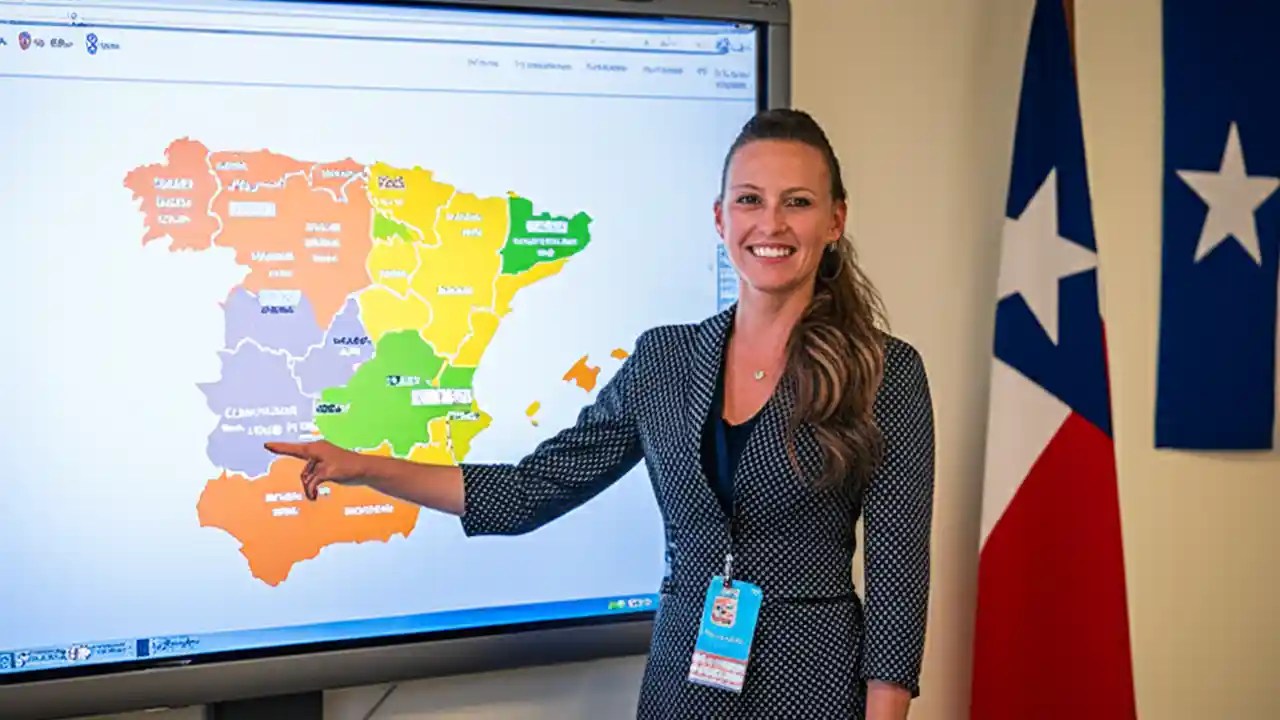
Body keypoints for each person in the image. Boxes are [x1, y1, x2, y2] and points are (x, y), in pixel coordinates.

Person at [266, 108, 935, 720]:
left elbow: (898, 582)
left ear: (835, 220)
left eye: (798, 203)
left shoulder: (885, 372)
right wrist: (367, 468)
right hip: (684, 686)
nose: (771, 225)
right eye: (750, 201)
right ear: (720, 218)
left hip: (812, 688)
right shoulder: (665, 360)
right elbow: (530, 490)